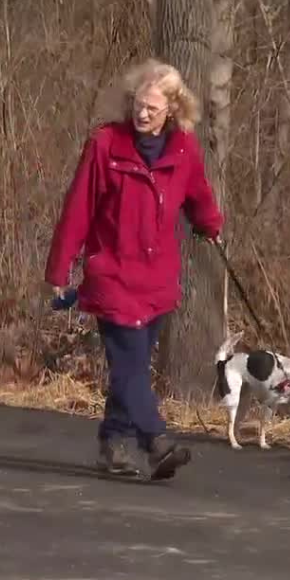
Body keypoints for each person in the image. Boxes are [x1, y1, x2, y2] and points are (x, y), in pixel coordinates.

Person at [44, 58, 225, 482]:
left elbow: (197, 193)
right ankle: (156, 442)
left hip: (158, 277)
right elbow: (78, 208)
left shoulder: (184, 150)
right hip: (112, 273)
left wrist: (210, 225)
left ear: (173, 110)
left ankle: (113, 444)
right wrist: (59, 267)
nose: (143, 114)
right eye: (138, 105)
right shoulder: (106, 144)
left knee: (134, 368)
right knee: (128, 365)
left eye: (153, 108)